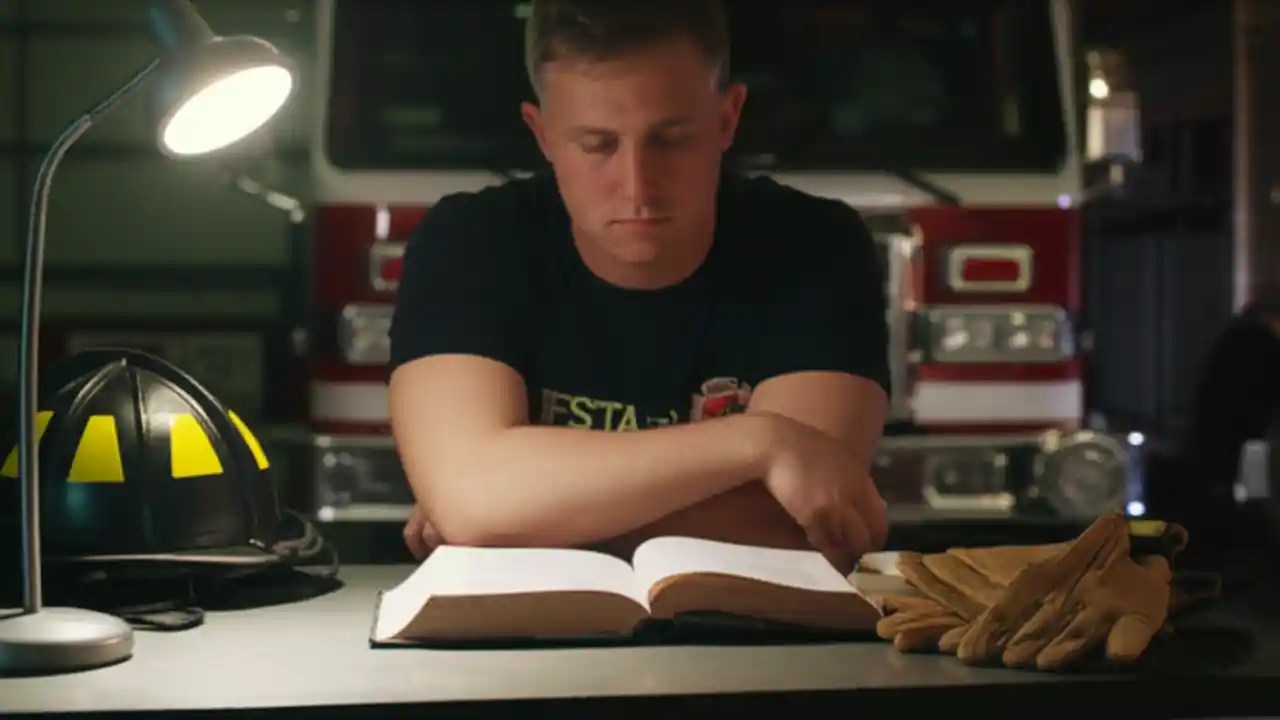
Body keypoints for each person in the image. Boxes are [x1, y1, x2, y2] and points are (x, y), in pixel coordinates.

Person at [386, 0, 891, 574]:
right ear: (543, 132)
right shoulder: (470, 241)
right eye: (598, 145)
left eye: (671, 140)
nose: (637, 188)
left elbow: (798, 525)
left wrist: (515, 515)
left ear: (728, 118)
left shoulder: (816, 243)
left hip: (752, 639)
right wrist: (760, 442)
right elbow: (473, 499)